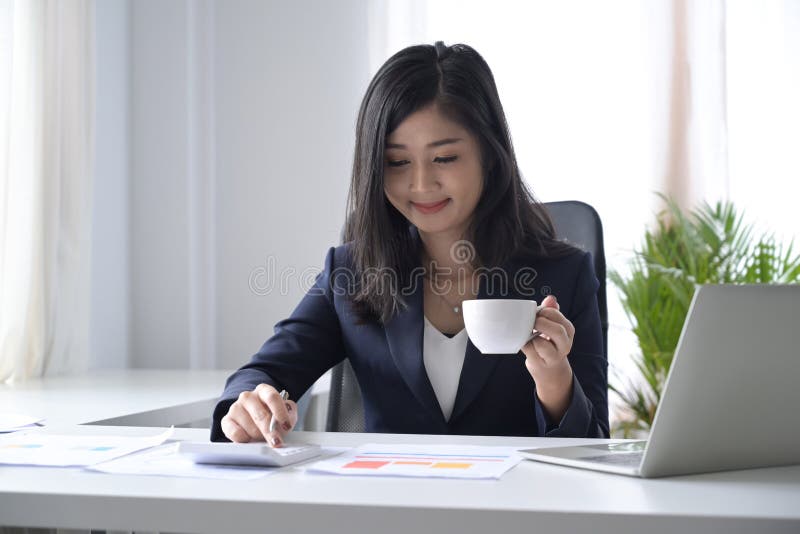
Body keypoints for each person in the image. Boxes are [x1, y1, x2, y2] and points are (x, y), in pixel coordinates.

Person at [211, 41, 608, 446]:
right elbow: (264, 372)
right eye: (397, 162)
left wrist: (556, 383)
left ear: (489, 155)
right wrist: (247, 406)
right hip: (391, 502)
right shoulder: (351, 272)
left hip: (519, 503)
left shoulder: (565, 275)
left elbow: (597, 445)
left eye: (445, 158)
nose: (420, 185)